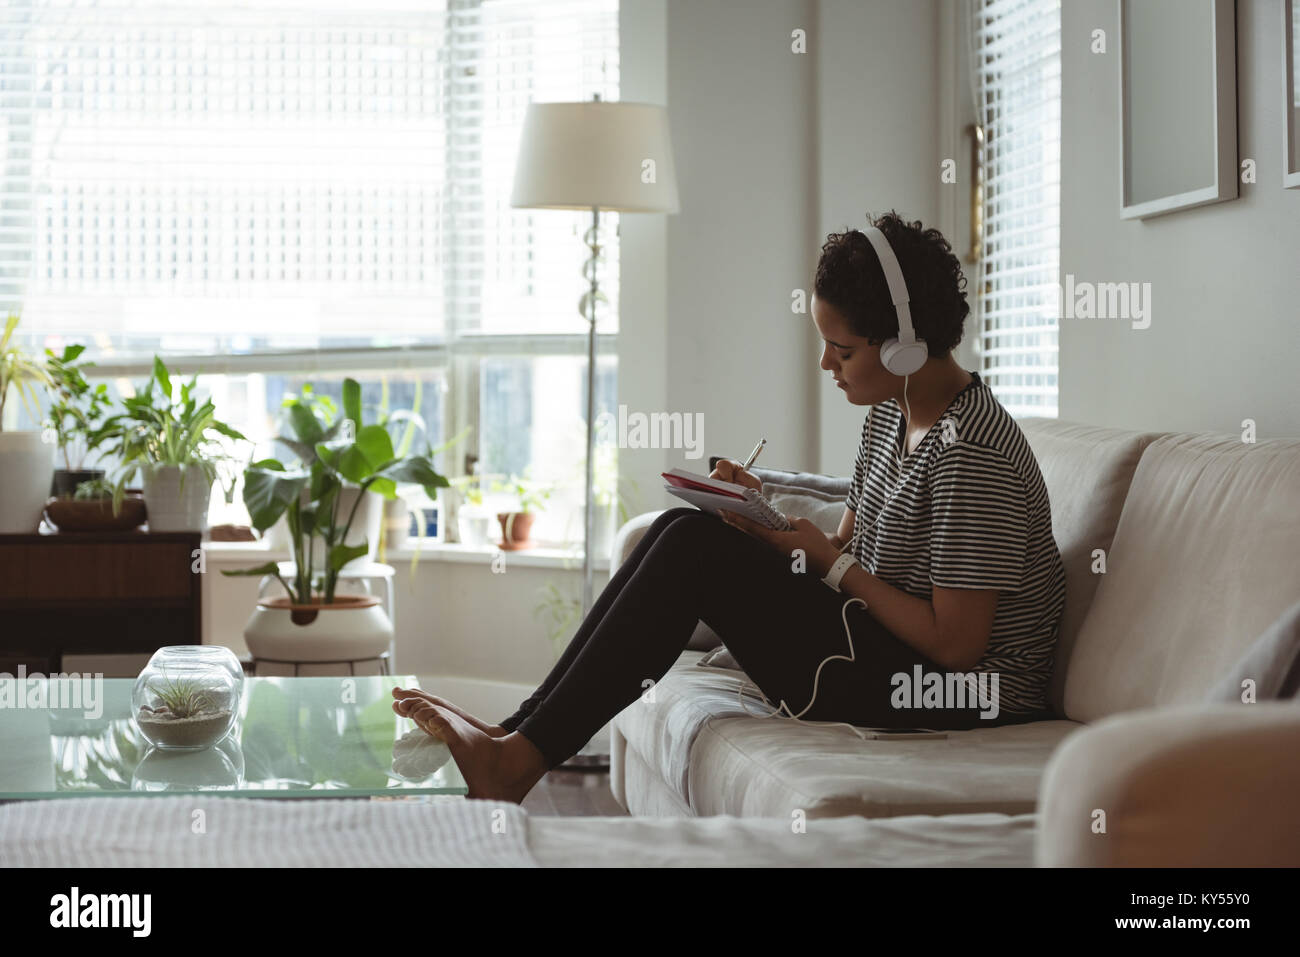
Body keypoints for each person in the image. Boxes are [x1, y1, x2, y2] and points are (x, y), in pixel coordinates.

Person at [393, 210, 1067, 803]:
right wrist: (762, 510)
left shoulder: (970, 453)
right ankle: (516, 732)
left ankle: (517, 758)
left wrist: (828, 563)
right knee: (684, 525)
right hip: (889, 648)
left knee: (694, 550)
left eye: (843, 349)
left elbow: (957, 644)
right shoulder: (891, 416)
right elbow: (854, 546)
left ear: (904, 346)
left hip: (956, 694)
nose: (828, 365)